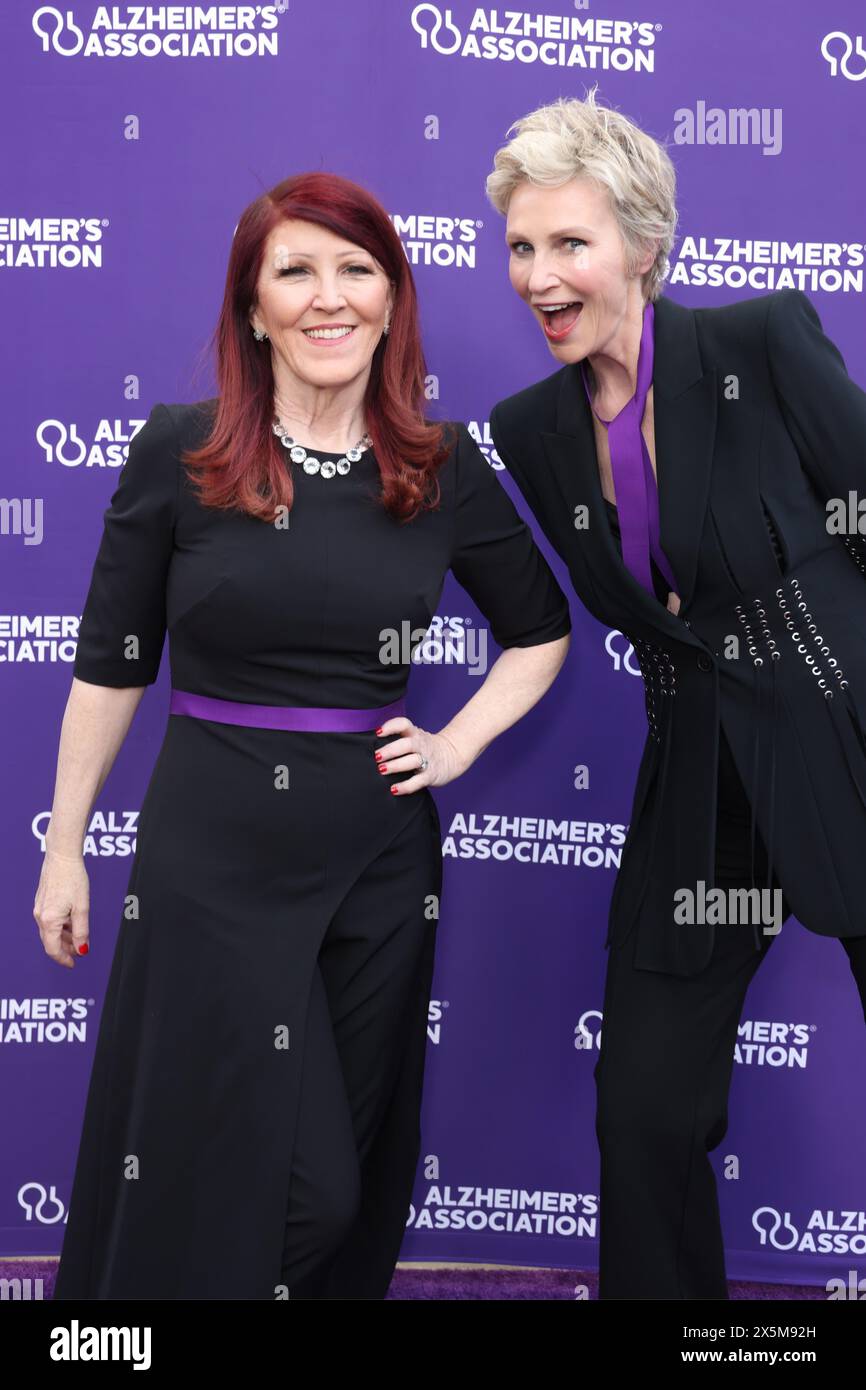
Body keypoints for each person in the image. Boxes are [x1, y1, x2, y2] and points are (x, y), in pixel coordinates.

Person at [36, 171, 572, 1301]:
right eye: (295, 271)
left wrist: (457, 745)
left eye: (356, 269)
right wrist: (64, 843)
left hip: (375, 873)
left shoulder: (438, 467)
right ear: (251, 307)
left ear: (391, 297)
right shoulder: (182, 454)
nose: (328, 299)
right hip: (209, 865)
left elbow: (539, 630)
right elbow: (112, 665)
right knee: (272, 1176)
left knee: (350, 1187)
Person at [485, 87, 866, 1300]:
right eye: (519, 247)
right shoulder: (529, 430)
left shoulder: (757, 343)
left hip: (844, 748)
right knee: (642, 1114)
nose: (538, 274)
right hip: (692, 793)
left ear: (645, 247)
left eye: (568, 243)